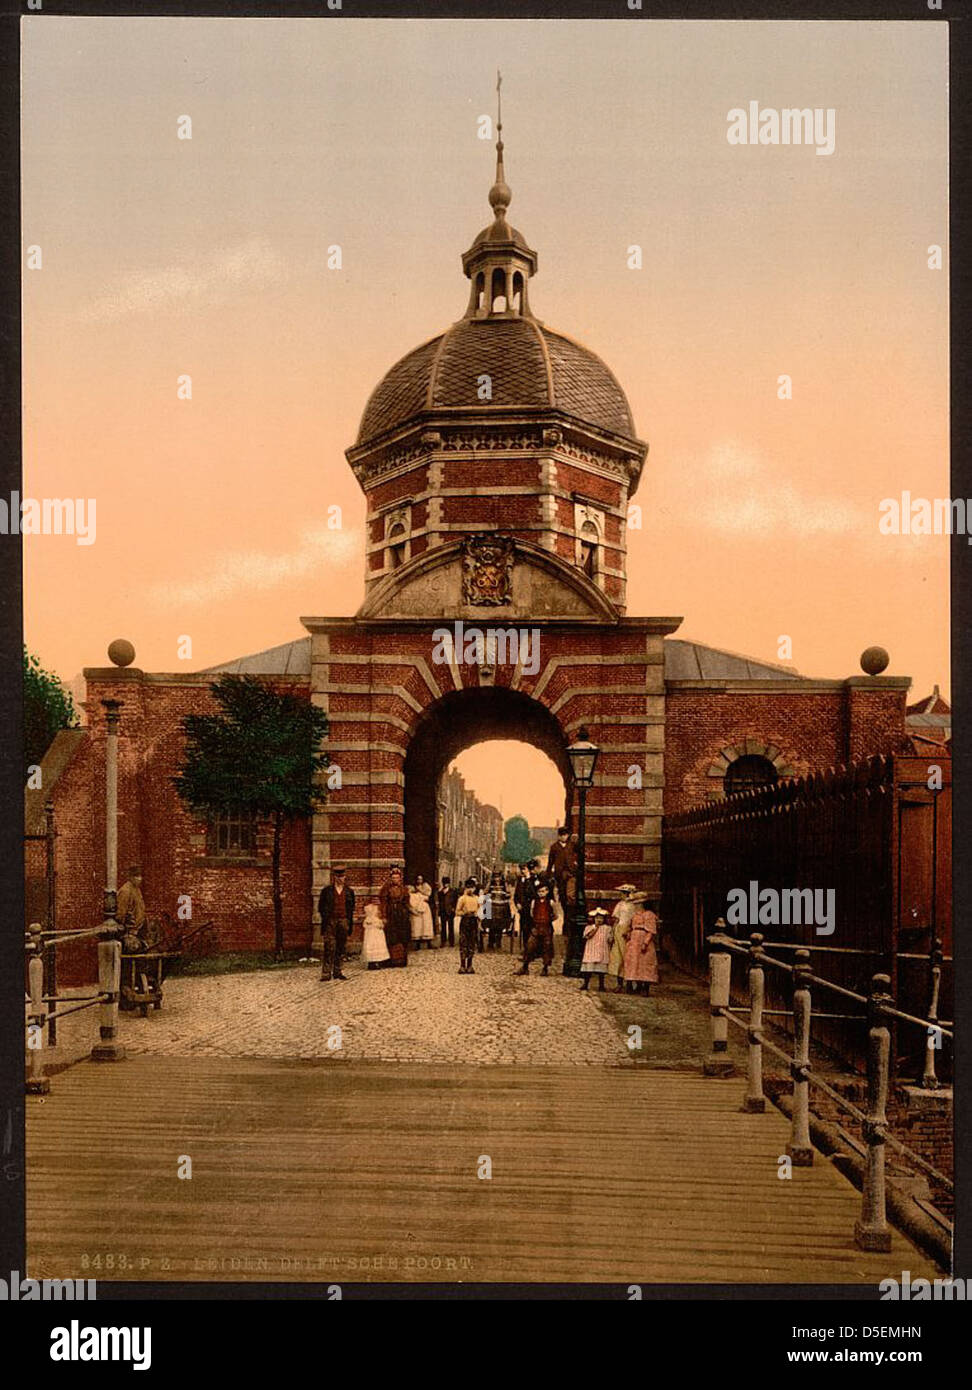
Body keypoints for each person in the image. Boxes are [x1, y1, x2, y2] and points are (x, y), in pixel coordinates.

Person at [319, 865, 355, 982]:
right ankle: (326, 973)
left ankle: (338, 971)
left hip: (343, 921)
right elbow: (321, 907)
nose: (340, 879)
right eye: (338, 876)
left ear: (345, 877)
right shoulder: (327, 891)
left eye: (342, 876)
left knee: (341, 947)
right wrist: (326, 917)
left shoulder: (349, 892)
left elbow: (351, 908)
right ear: (334, 877)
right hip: (330, 921)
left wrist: (348, 923)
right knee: (329, 946)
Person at [516, 882, 555, 977]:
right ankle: (525, 967)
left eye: (543, 891)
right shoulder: (534, 902)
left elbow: (555, 915)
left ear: (547, 892)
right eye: (539, 891)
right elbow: (531, 913)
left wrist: (547, 920)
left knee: (547, 947)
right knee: (530, 946)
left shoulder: (551, 902)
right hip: (536, 927)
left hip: (546, 928)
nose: (541, 893)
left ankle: (545, 968)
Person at [623, 895, 660, 995]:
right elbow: (631, 927)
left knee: (645, 963)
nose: (635, 906)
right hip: (634, 941)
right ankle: (636, 985)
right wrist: (628, 934)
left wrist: (645, 942)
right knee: (633, 962)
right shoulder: (635, 915)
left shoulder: (649, 915)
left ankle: (645, 987)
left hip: (643, 939)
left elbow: (651, 931)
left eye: (637, 904)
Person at [379, 867, 411, 968]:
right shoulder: (386, 889)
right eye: (393, 878)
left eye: (397, 878)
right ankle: (392, 960)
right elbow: (383, 903)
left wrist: (407, 913)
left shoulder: (404, 889)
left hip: (401, 914)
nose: (395, 880)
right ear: (391, 878)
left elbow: (407, 902)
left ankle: (402, 959)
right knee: (392, 937)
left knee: (402, 936)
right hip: (391, 913)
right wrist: (384, 916)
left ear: (400, 878)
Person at [608, 884, 637, 993]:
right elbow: (616, 919)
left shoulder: (634, 905)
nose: (622, 895)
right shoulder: (620, 904)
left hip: (629, 930)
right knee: (618, 957)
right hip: (619, 930)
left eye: (624, 893)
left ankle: (630, 984)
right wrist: (612, 932)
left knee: (628, 957)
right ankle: (619, 983)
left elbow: (635, 919)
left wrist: (630, 930)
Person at [579, 906, 612, 991]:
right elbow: (588, 936)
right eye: (597, 918)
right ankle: (586, 983)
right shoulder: (589, 927)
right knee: (589, 969)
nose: (599, 920)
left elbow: (609, 939)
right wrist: (595, 928)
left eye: (601, 918)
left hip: (602, 949)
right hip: (592, 949)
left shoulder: (607, 928)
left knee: (601, 970)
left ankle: (601, 985)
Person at [456, 877, 481, 975]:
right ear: (466, 888)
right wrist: (463, 912)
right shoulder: (462, 899)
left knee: (472, 943)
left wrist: (478, 915)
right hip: (465, 921)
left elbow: (481, 911)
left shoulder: (477, 899)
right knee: (463, 942)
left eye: (473, 888)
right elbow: (457, 911)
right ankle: (462, 965)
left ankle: (470, 965)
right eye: (469, 888)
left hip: (473, 921)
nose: (471, 890)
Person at [513, 861, 539, 948]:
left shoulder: (534, 880)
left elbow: (535, 893)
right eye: (521, 869)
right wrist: (517, 904)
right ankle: (526, 950)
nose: (522, 871)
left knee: (533, 929)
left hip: (532, 908)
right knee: (524, 929)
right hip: (523, 909)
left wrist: (528, 879)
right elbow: (516, 895)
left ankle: (533, 949)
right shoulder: (520, 880)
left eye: (524, 869)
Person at [485, 871, 511, 950]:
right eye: (495, 877)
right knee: (492, 925)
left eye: (498, 877)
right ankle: (491, 942)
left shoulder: (504, 885)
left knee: (499, 925)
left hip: (501, 907)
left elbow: (508, 894)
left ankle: (498, 941)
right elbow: (485, 892)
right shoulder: (491, 885)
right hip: (492, 907)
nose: (497, 879)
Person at [360, 901, 389, 970]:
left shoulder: (367, 919)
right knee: (376, 947)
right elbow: (380, 926)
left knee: (371, 947)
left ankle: (371, 963)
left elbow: (365, 926)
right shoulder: (376, 920)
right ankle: (375, 963)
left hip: (370, 936)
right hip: (376, 937)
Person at [408, 882, 434, 948]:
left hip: (425, 911)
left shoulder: (419, 893)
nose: (412, 889)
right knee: (417, 927)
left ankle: (429, 942)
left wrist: (422, 893)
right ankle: (417, 944)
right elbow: (412, 903)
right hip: (417, 911)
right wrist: (416, 908)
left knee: (426, 926)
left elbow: (427, 897)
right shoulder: (411, 895)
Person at [437, 876, 458, 947]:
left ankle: (451, 942)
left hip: (450, 911)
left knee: (451, 927)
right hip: (443, 911)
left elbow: (455, 901)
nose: (445, 884)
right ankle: (443, 941)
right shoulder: (440, 892)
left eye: (447, 883)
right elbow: (439, 902)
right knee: (443, 927)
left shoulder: (453, 891)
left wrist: (454, 908)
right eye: (444, 883)